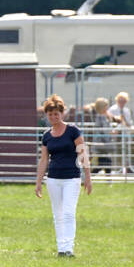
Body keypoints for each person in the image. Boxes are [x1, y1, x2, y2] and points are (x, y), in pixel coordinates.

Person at [34, 94, 92, 256]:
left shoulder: (73, 131)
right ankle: (61, 248)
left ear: (62, 113)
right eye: (50, 114)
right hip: (53, 179)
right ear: (47, 115)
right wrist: (38, 182)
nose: (53, 117)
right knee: (57, 214)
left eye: (56, 113)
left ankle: (68, 248)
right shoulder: (46, 136)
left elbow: (83, 154)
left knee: (68, 213)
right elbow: (44, 160)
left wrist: (88, 177)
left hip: (71, 178)